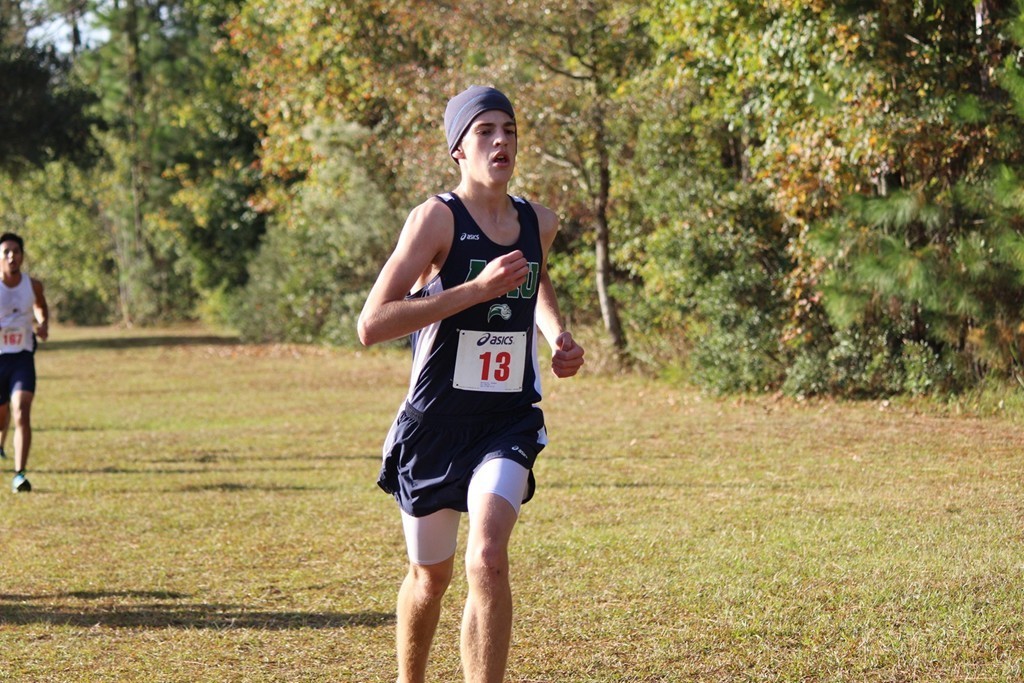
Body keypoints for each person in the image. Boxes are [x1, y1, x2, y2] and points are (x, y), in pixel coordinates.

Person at [358, 85, 585, 683]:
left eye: (509, 129)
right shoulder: (435, 219)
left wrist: (558, 335)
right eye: (485, 131)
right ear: (458, 148)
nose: (502, 141)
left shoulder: (538, 221)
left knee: (486, 559)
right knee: (430, 578)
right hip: (434, 424)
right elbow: (372, 323)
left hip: (505, 420)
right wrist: (475, 291)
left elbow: (533, 280)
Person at [0, 232, 49, 493]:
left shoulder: (33, 285)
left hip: (21, 357)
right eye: (6, 251)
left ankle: (20, 474)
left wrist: (42, 324)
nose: (11, 256)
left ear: (22, 256)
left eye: (16, 251)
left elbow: (41, 306)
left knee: (21, 409)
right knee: (1, 416)